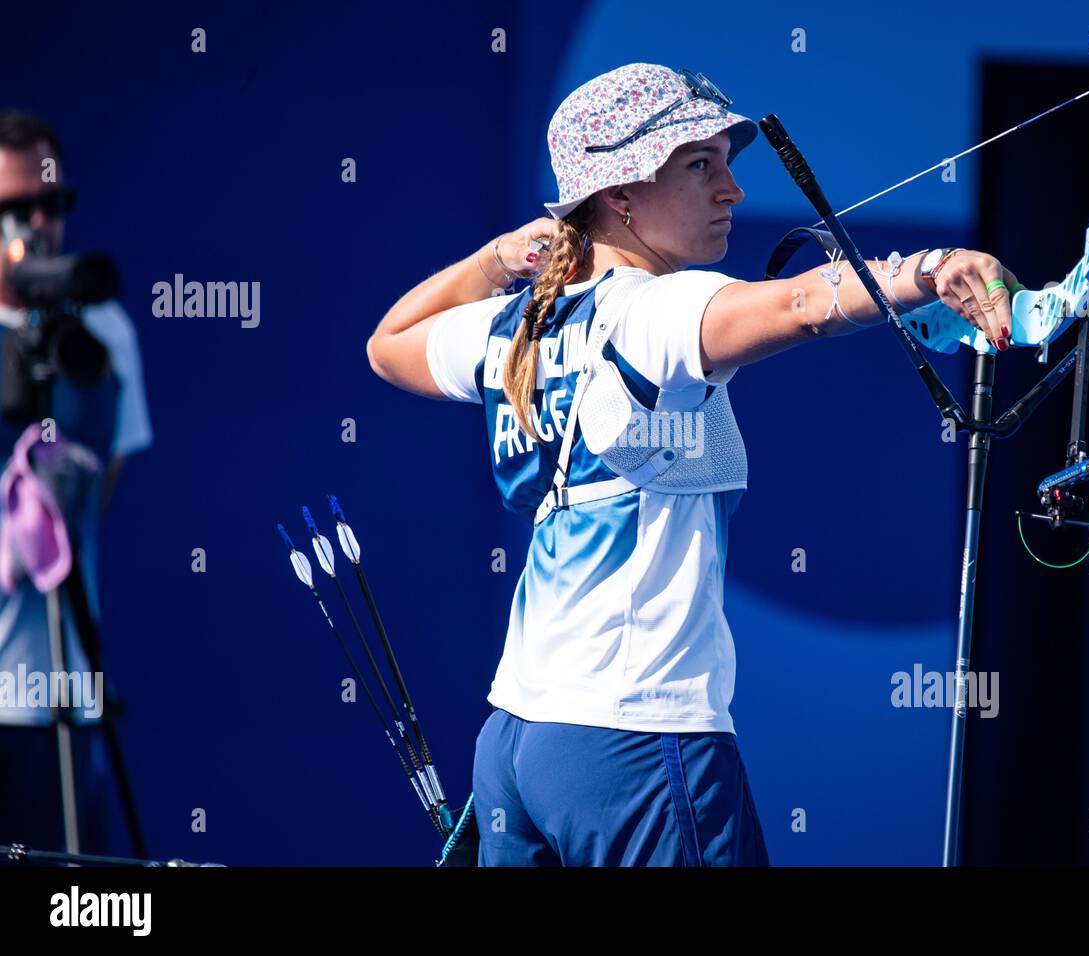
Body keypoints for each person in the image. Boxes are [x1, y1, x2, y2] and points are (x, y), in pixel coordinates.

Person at [367, 63, 1020, 866]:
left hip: (517, 745)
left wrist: (499, 258)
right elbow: (797, 307)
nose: (732, 191)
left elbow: (388, 347)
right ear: (621, 196)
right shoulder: (656, 307)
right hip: (635, 737)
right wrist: (924, 272)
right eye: (699, 165)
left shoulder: (517, 327)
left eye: (726, 163)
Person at [0, 111, 153, 854]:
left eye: (53, 204)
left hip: (55, 690)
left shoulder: (104, 334)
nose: (38, 224)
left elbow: (92, 504)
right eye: (14, 208)